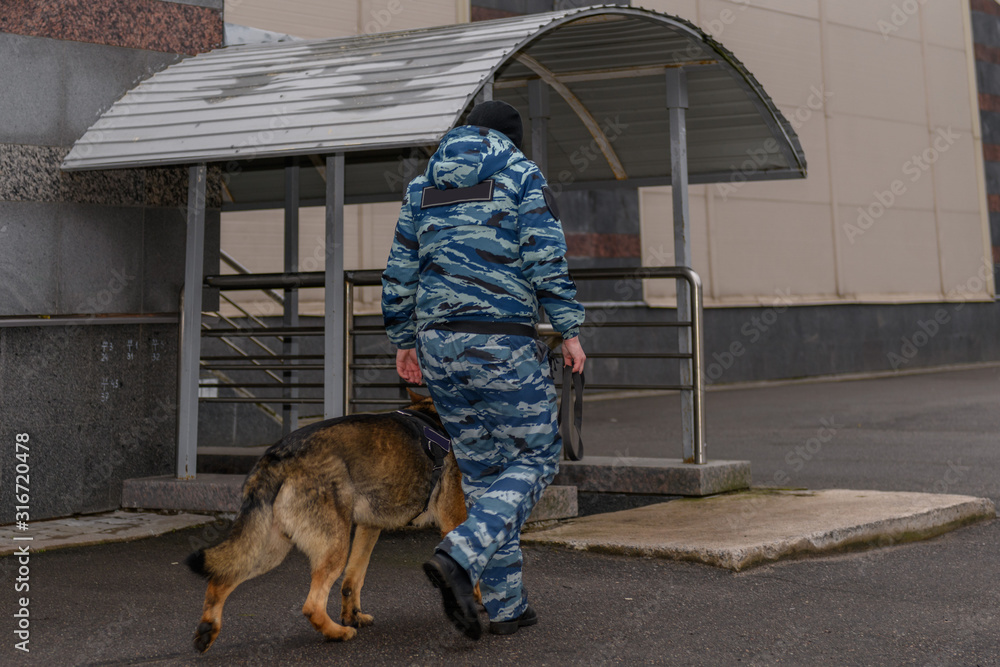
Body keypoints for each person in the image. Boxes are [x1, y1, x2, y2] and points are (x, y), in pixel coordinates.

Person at [381, 100, 586, 639]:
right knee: (537, 455)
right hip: (499, 344)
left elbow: (400, 269)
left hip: (438, 349)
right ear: (512, 139)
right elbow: (545, 255)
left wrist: (404, 340)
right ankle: (460, 553)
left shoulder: (422, 185)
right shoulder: (520, 174)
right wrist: (568, 328)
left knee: (486, 474)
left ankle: (506, 605)